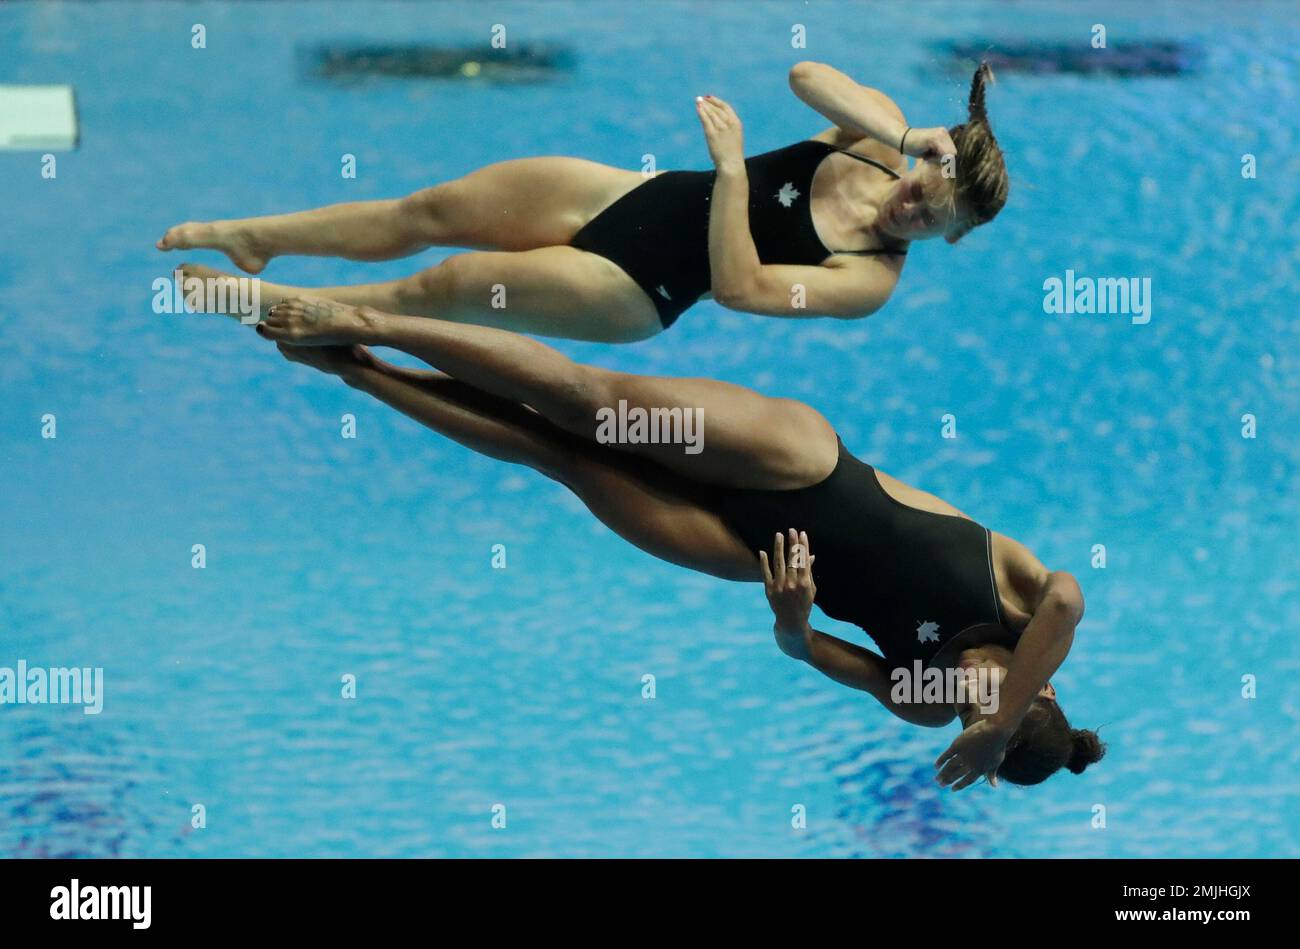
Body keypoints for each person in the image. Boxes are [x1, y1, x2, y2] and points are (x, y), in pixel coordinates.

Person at [252, 295, 1103, 789]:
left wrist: (792, 615)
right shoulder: (1033, 612)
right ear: (1046, 691)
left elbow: (806, 652)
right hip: (798, 463)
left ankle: (354, 365)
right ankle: (367, 316)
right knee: (590, 404)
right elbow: (1071, 592)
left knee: (559, 457)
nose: (960, 692)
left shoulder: (922, 700)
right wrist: (996, 722)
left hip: (747, 549)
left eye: (964, 712)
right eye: (984, 693)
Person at [159, 63, 1008, 342]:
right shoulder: (875, 137)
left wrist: (735, 176)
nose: (914, 212)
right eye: (922, 191)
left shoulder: (866, 280)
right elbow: (806, 76)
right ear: (926, 163)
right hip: (628, 193)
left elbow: (744, 288)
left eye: (937, 223)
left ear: (952, 238)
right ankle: (252, 238)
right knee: (431, 208)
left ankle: (265, 301)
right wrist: (901, 141)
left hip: (639, 286)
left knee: (445, 284)